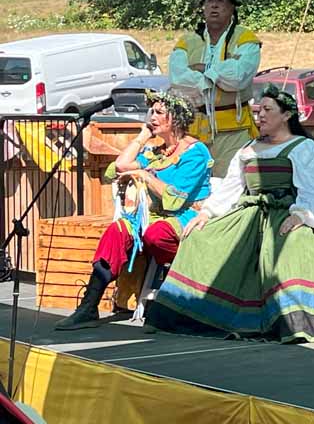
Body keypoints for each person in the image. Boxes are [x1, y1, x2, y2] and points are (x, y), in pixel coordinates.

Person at [146, 86, 314, 343]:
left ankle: (292, 318)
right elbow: (231, 188)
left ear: (286, 115)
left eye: (267, 110)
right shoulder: (248, 149)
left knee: (287, 250)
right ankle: (190, 311)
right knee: (199, 238)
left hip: (289, 213)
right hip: (250, 215)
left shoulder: (304, 148)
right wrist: (206, 213)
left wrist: (299, 216)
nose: (259, 116)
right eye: (258, 110)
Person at [55, 92, 212, 330]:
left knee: (156, 234)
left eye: (159, 112)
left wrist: (146, 176)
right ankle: (88, 306)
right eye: (152, 112)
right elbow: (119, 167)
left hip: (183, 215)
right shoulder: (156, 152)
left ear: (177, 119)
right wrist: (142, 136)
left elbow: (175, 200)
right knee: (116, 231)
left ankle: (177, 298)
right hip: (148, 216)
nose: (152, 117)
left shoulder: (195, 152)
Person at [169, 0, 262, 177]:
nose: (214, 6)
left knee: (232, 183)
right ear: (203, 7)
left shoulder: (245, 38)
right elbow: (179, 81)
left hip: (233, 130)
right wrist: (217, 76)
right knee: (193, 183)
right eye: (210, 1)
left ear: (231, 8)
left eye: (221, 2)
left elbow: (238, 77)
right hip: (193, 128)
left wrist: (206, 70)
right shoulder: (186, 42)